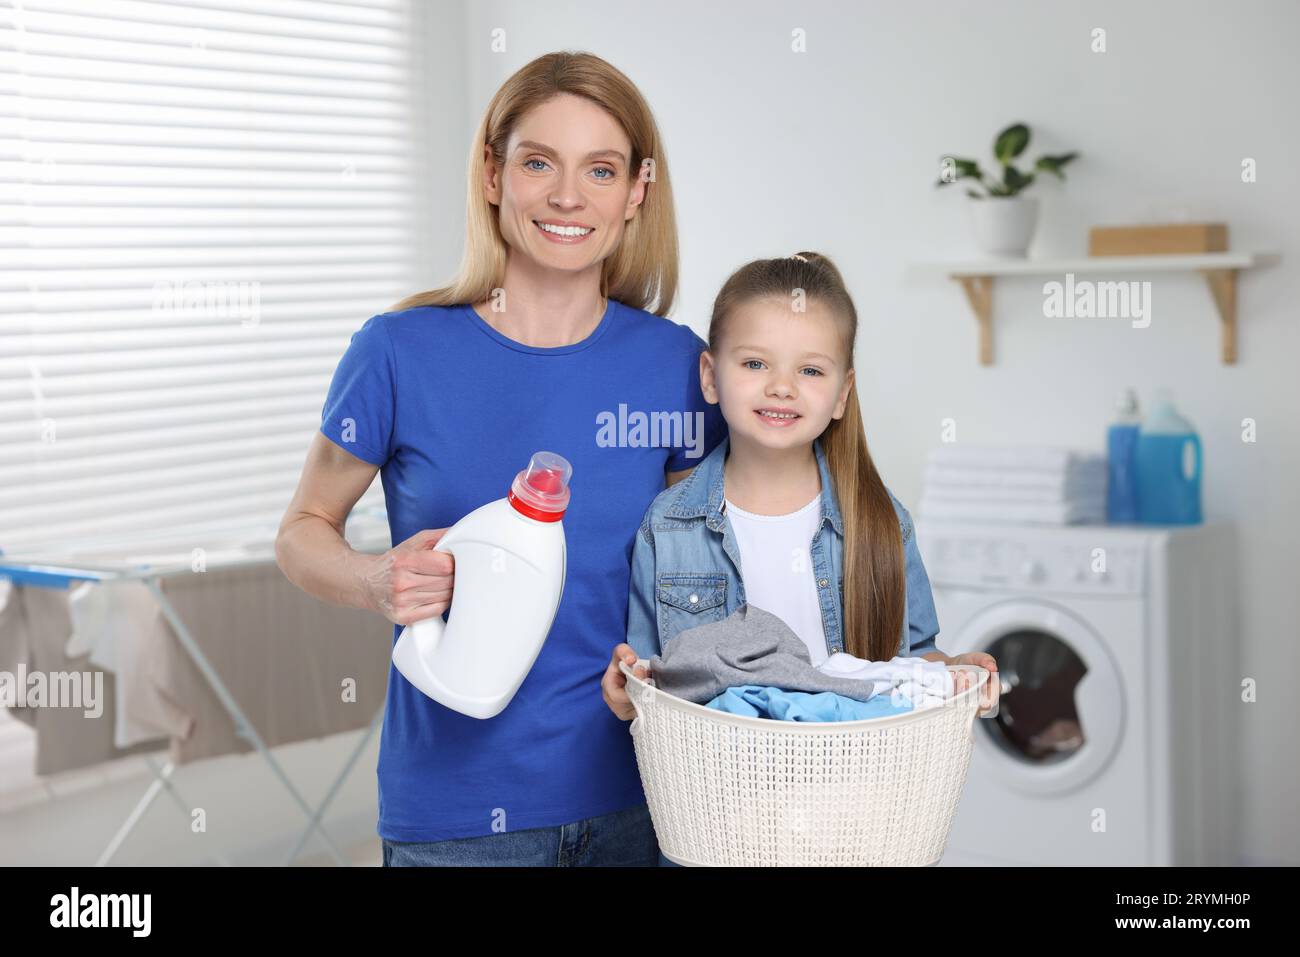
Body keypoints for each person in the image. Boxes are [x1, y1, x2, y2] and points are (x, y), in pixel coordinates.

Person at [276, 51, 726, 866]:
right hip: (455, 811)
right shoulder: (398, 352)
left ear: (636, 192)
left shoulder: (677, 367)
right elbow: (302, 531)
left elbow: (716, 567)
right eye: (538, 162)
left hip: (648, 796)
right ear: (492, 173)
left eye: (600, 169)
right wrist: (376, 580)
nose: (566, 196)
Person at [599, 252, 1000, 865]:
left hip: (859, 819)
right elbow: (655, 674)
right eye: (755, 362)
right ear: (711, 377)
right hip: (721, 822)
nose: (781, 386)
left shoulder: (881, 524)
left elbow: (911, 667)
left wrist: (957, 674)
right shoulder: (669, 523)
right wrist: (628, 692)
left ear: (842, 393)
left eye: (810, 370)